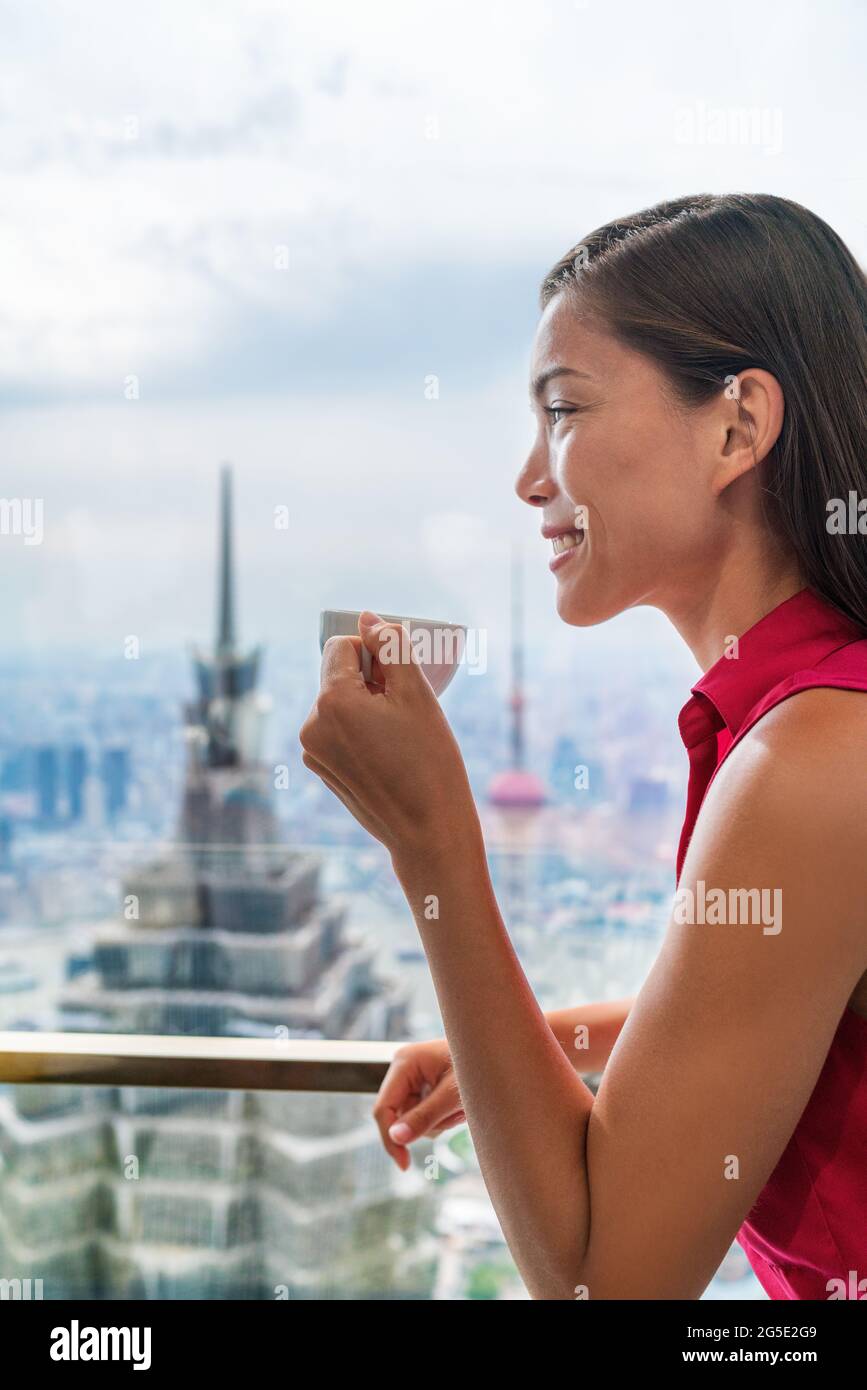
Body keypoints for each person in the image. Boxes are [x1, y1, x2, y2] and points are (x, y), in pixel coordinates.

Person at [299, 194, 867, 1299]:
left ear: (738, 428)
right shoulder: (818, 720)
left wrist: (433, 845)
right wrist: (540, 1045)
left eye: (563, 410)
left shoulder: (809, 764)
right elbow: (789, 1000)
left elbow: (604, 1288)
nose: (529, 478)